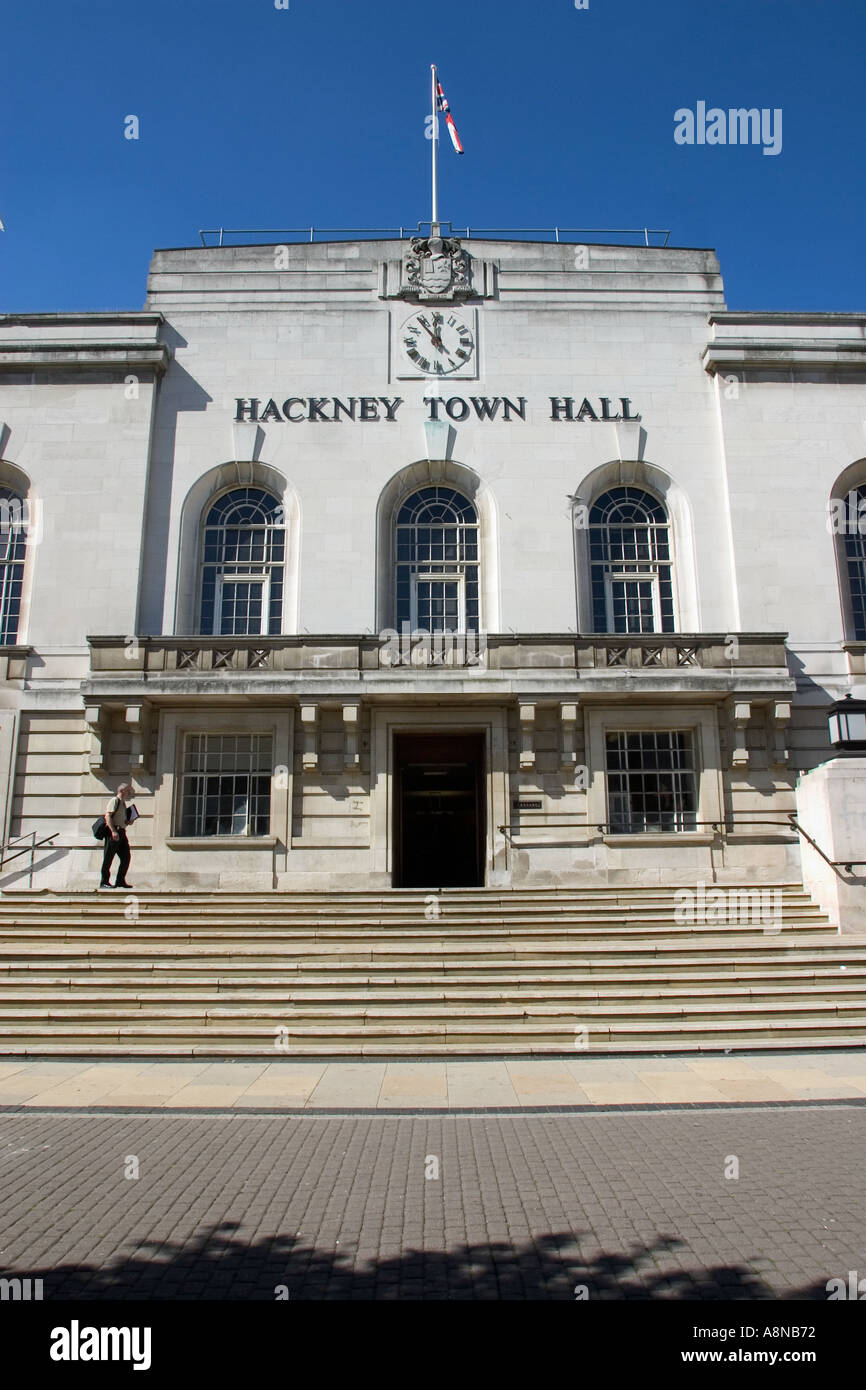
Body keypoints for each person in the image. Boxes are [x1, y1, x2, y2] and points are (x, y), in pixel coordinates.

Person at [99, 783, 134, 890]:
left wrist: (128, 821)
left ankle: (120, 881)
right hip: (114, 832)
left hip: (122, 832)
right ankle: (104, 882)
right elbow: (108, 816)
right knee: (108, 858)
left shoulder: (123, 803)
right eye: (128, 791)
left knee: (126, 857)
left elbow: (120, 819)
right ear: (122, 791)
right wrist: (113, 831)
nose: (129, 793)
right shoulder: (115, 800)